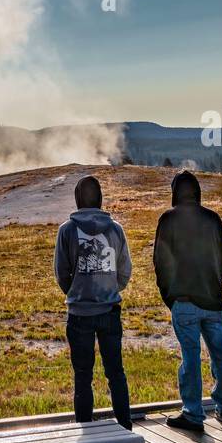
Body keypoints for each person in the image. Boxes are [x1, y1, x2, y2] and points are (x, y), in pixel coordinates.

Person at [153, 169, 222, 432]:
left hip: (184, 301)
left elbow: (160, 262)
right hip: (213, 300)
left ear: (175, 192)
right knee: (221, 355)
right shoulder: (213, 219)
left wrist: (171, 296)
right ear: (198, 191)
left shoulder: (168, 219)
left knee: (190, 357)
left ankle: (193, 413)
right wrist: (214, 283)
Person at [53, 174, 133, 429]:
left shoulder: (67, 230)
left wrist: (77, 291)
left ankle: (86, 434)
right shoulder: (116, 229)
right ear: (100, 199)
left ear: (77, 200)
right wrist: (110, 288)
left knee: (83, 376)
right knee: (116, 373)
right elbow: (125, 270)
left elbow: (61, 272)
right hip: (109, 309)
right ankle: (125, 428)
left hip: (79, 313)